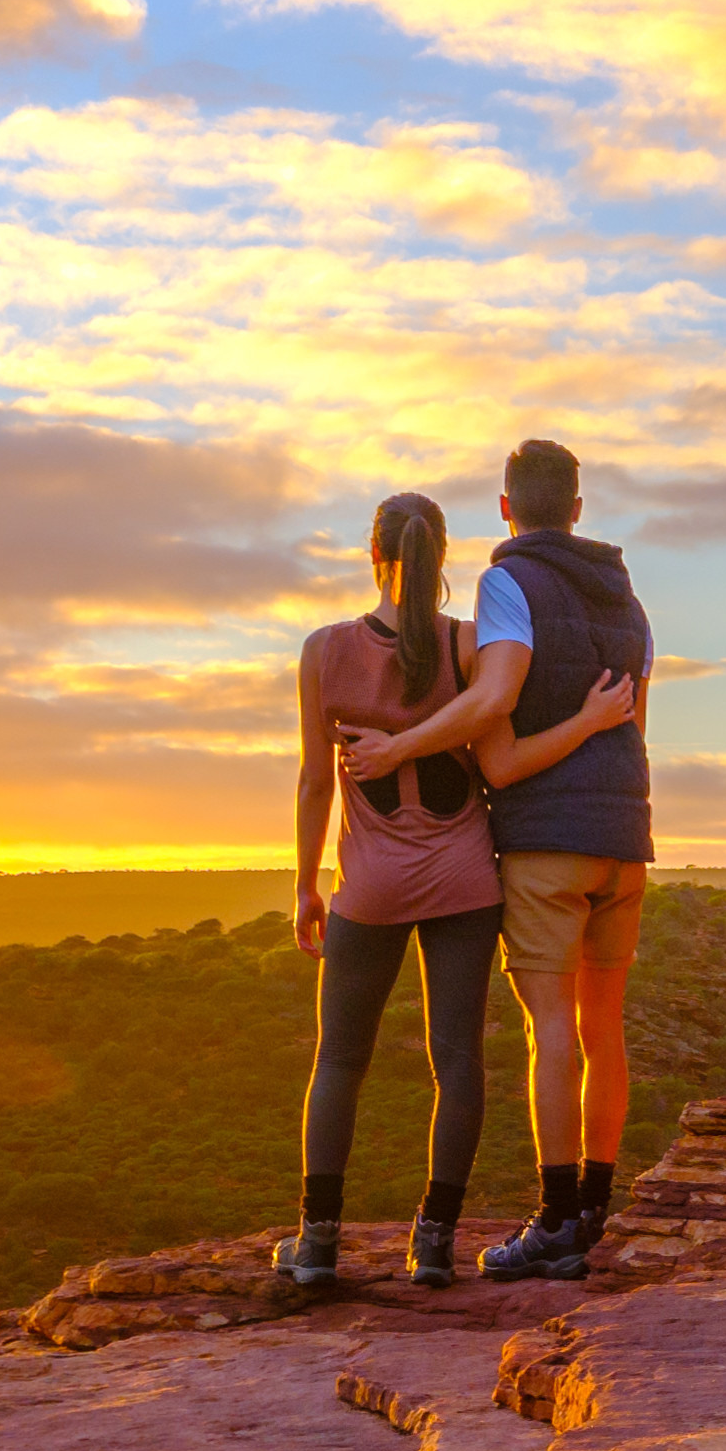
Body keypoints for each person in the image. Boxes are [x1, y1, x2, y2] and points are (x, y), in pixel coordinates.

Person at [348, 433, 654, 1278]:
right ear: (579, 510)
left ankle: (557, 1220)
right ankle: (594, 1202)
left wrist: (403, 746)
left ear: (508, 508)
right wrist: (604, 751)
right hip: (625, 842)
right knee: (605, 1025)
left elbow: (499, 711)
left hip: (547, 843)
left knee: (550, 1027)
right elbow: (636, 728)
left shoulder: (508, 581)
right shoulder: (628, 604)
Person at [283, 491, 504, 1291]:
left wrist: (307, 885)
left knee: (340, 1058)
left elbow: (316, 782)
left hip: (368, 887)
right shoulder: (469, 648)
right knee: (458, 1060)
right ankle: (435, 1244)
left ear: (372, 555)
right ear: (442, 561)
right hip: (465, 880)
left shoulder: (324, 652)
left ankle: (316, 1244)